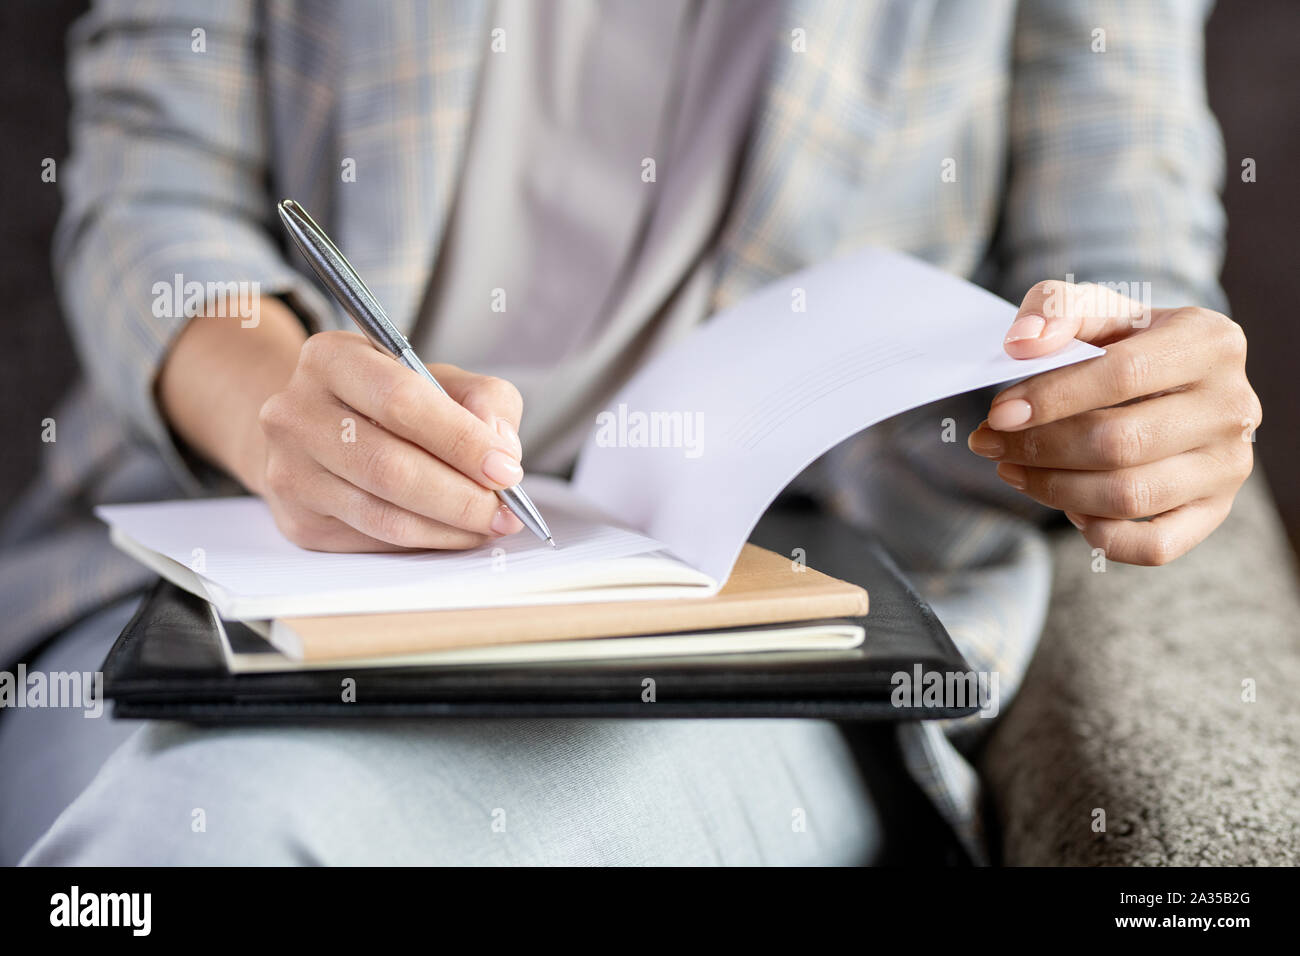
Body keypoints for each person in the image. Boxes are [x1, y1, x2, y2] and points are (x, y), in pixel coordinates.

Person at [0, 0, 1258, 865]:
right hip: (217, 570)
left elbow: (1115, 264)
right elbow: (150, 195)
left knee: (223, 827)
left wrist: (1139, 395)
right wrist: (277, 406)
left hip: (763, 634)